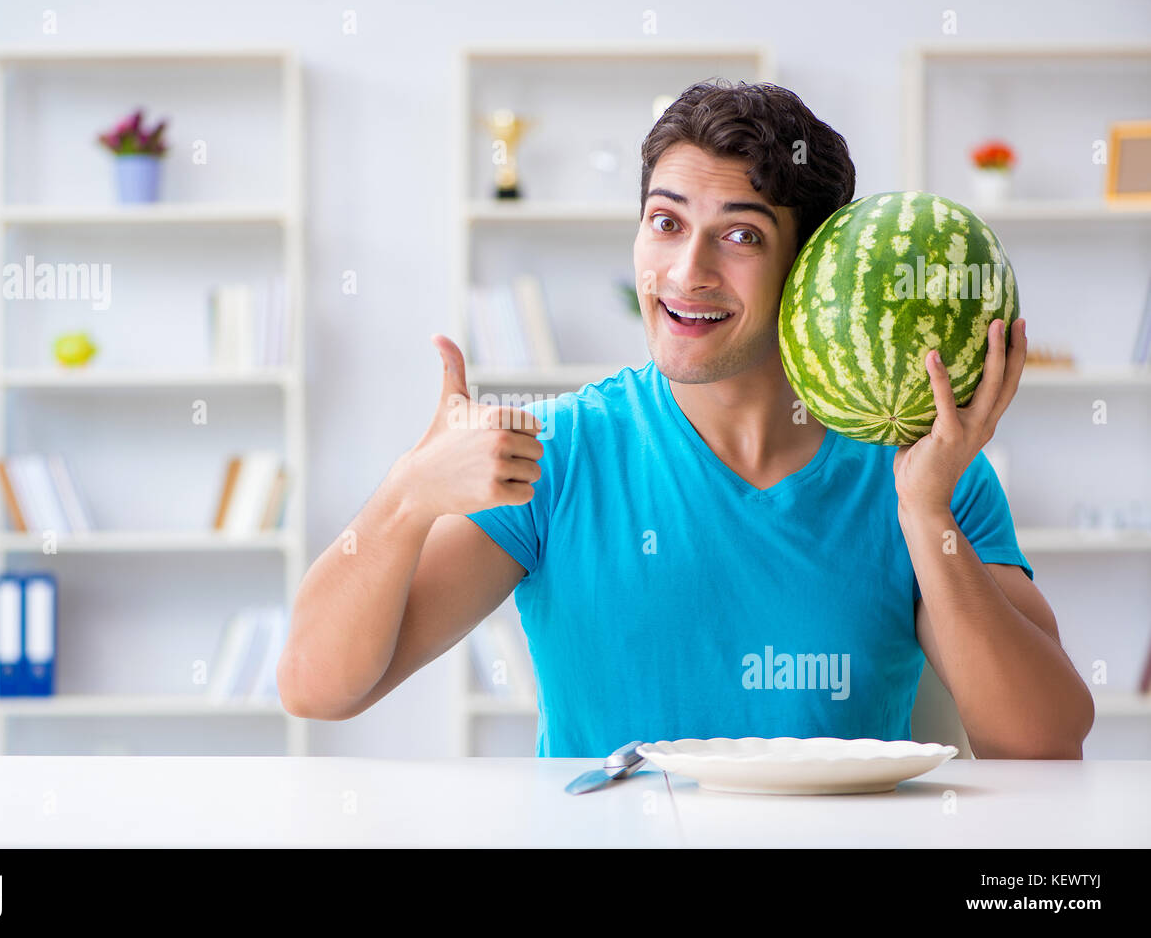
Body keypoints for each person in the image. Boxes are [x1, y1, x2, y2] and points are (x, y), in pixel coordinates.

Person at [279, 79, 1093, 760]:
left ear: (808, 268)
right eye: (666, 223)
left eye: (739, 234)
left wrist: (924, 513)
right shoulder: (559, 455)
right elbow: (317, 687)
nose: (685, 272)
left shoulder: (923, 470)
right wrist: (407, 495)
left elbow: (1043, 744)